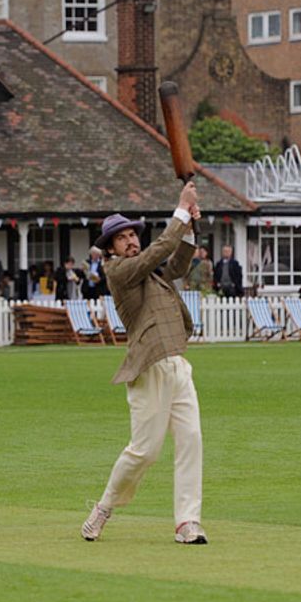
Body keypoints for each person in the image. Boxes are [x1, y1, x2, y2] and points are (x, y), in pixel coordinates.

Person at [82, 182, 208, 545]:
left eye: (131, 235)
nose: (130, 241)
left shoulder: (151, 272)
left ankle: (187, 522)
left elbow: (179, 262)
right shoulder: (119, 272)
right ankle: (104, 507)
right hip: (148, 368)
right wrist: (181, 211)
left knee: (191, 440)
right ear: (110, 249)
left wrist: (190, 226)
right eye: (121, 239)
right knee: (145, 451)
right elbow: (160, 250)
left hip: (178, 365)